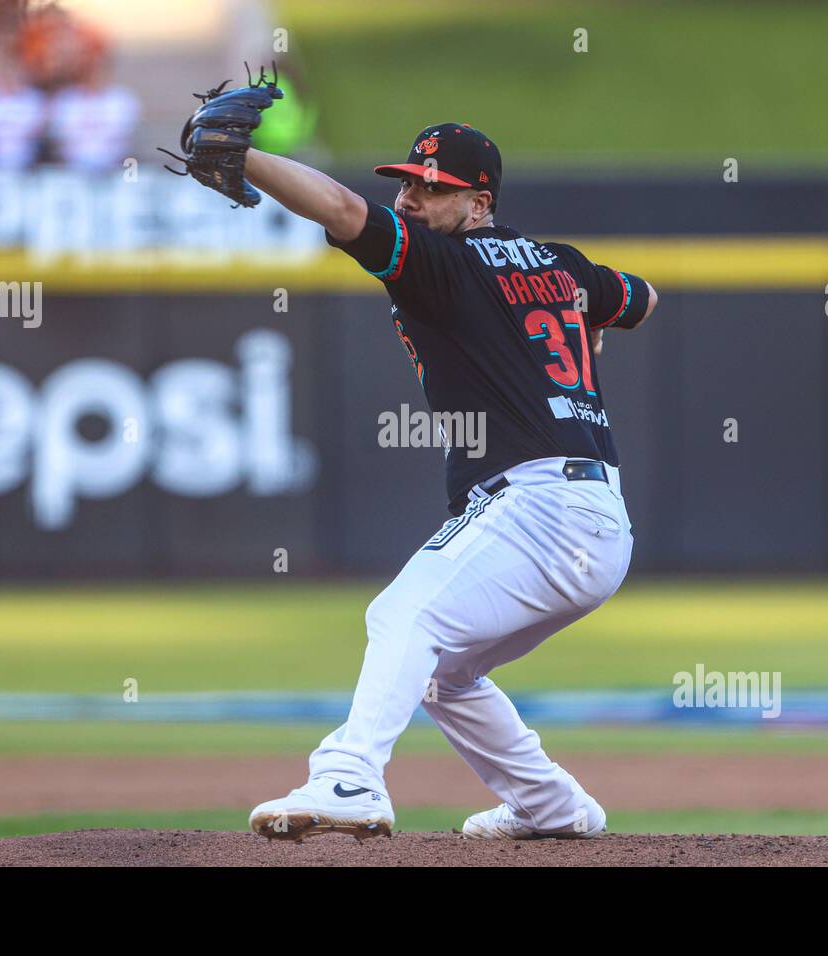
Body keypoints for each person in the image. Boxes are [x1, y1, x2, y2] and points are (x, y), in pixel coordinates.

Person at [243, 123, 657, 841]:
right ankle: (551, 808)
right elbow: (645, 298)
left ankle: (348, 777)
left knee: (402, 618)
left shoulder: (446, 262)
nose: (410, 198)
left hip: (539, 504)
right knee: (442, 672)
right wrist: (585, 318)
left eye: (433, 189)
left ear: (479, 203)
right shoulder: (560, 262)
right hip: (598, 523)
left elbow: (341, 211)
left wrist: (242, 157)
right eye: (406, 183)